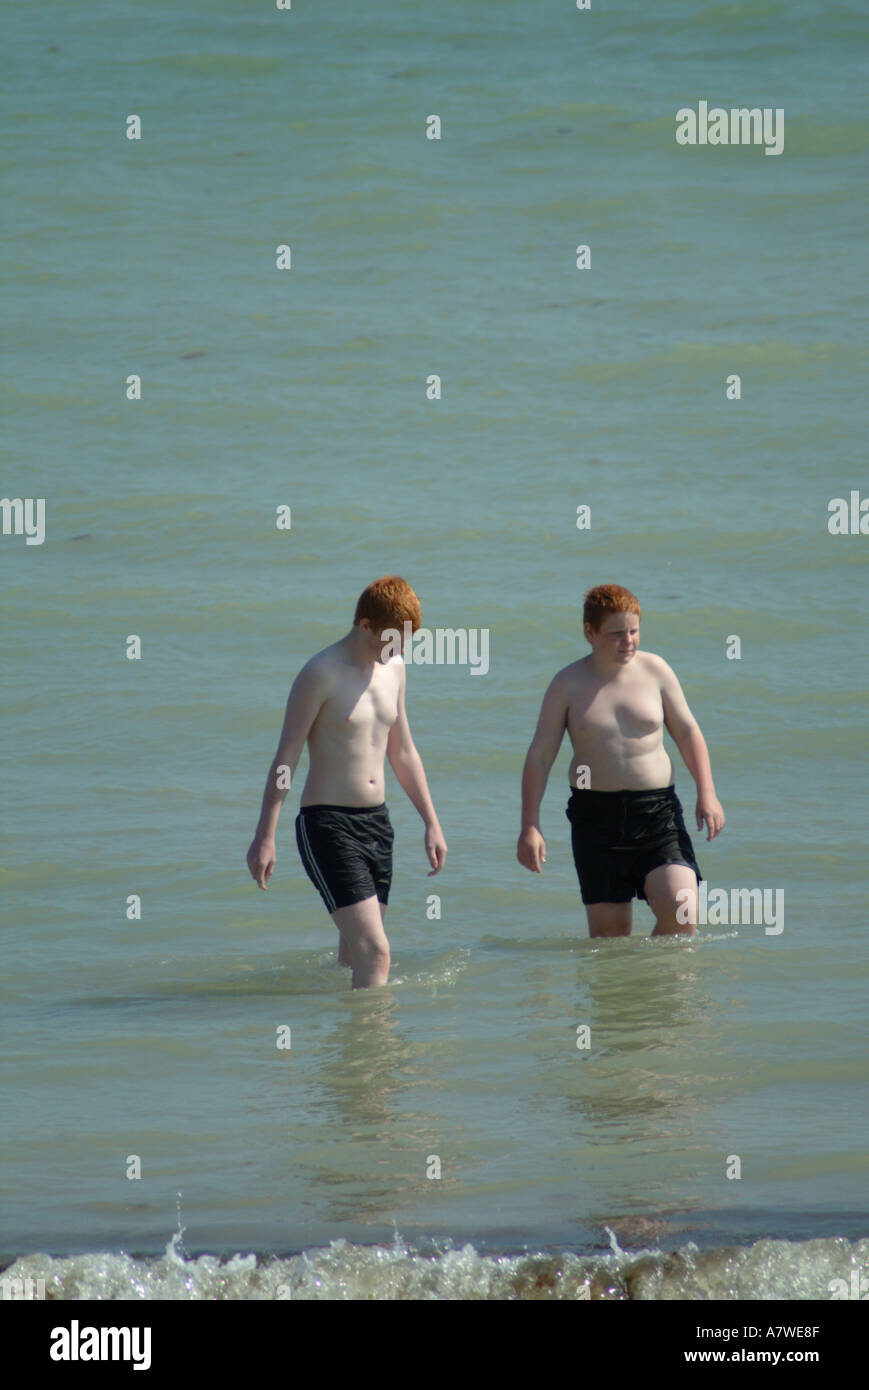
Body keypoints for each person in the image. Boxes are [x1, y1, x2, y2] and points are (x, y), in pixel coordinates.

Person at [246, 576, 447, 987]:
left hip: (377, 825)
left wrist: (431, 822)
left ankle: (348, 1042)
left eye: (406, 641)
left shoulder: (395, 670)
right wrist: (266, 833)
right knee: (377, 952)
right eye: (391, 639)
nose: (398, 650)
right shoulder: (320, 673)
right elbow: (287, 756)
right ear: (366, 625)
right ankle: (378, 1050)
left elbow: (403, 751)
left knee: (354, 957)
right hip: (327, 825)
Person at [517, 583, 724, 937]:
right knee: (610, 943)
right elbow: (540, 755)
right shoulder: (567, 684)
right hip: (596, 819)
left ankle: (661, 990)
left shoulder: (656, 671)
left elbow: (688, 733)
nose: (628, 641)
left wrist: (708, 792)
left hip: (657, 813)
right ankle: (632, 992)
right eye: (616, 634)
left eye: (634, 631)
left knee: (683, 908)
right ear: (590, 633)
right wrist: (530, 826)